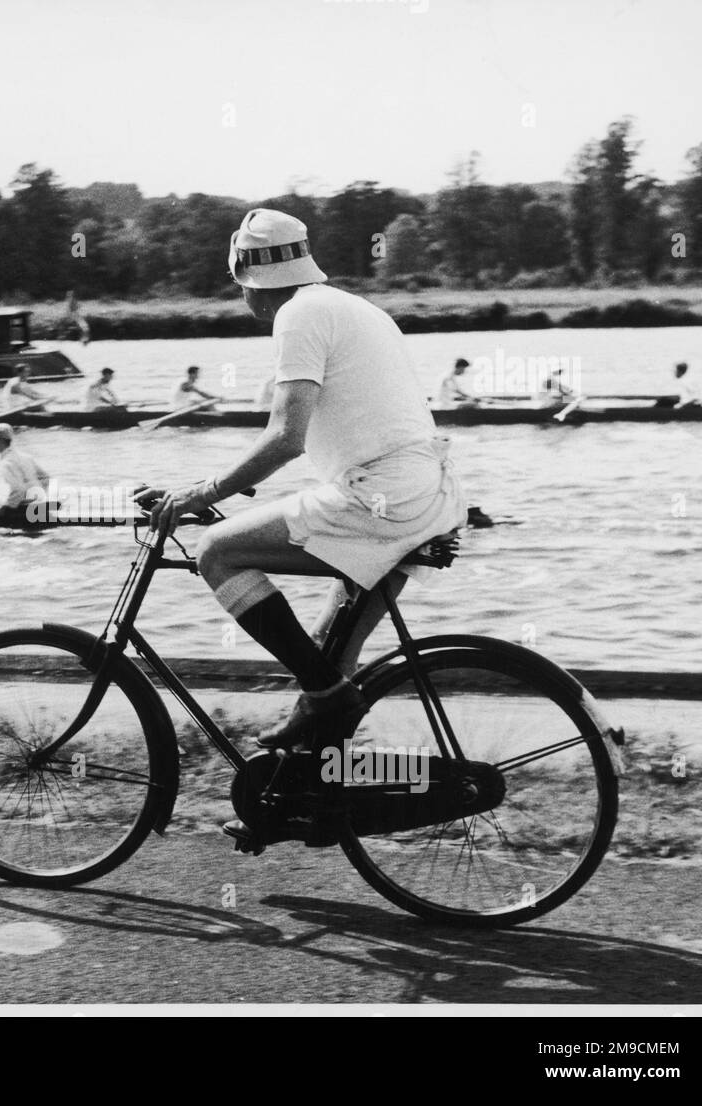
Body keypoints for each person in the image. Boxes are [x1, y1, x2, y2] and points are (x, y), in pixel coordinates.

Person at [139, 208, 467, 840]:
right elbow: (336, 429)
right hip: (418, 493)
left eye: (237, 284)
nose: (240, 296)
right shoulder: (351, 307)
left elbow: (286, 436)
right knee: (325, 658)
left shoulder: (296, 314)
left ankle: (328, 699)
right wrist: (232, 486)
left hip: (383, 500)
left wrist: (198, 494)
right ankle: (297, 805)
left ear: (248, 278)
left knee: (217, 553)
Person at [0, 423, 50, 516]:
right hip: (37, 502)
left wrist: (5, 507)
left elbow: (18, 489)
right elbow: (46, 478)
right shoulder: (25, 457)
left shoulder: (7, 462)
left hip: (26, 507)